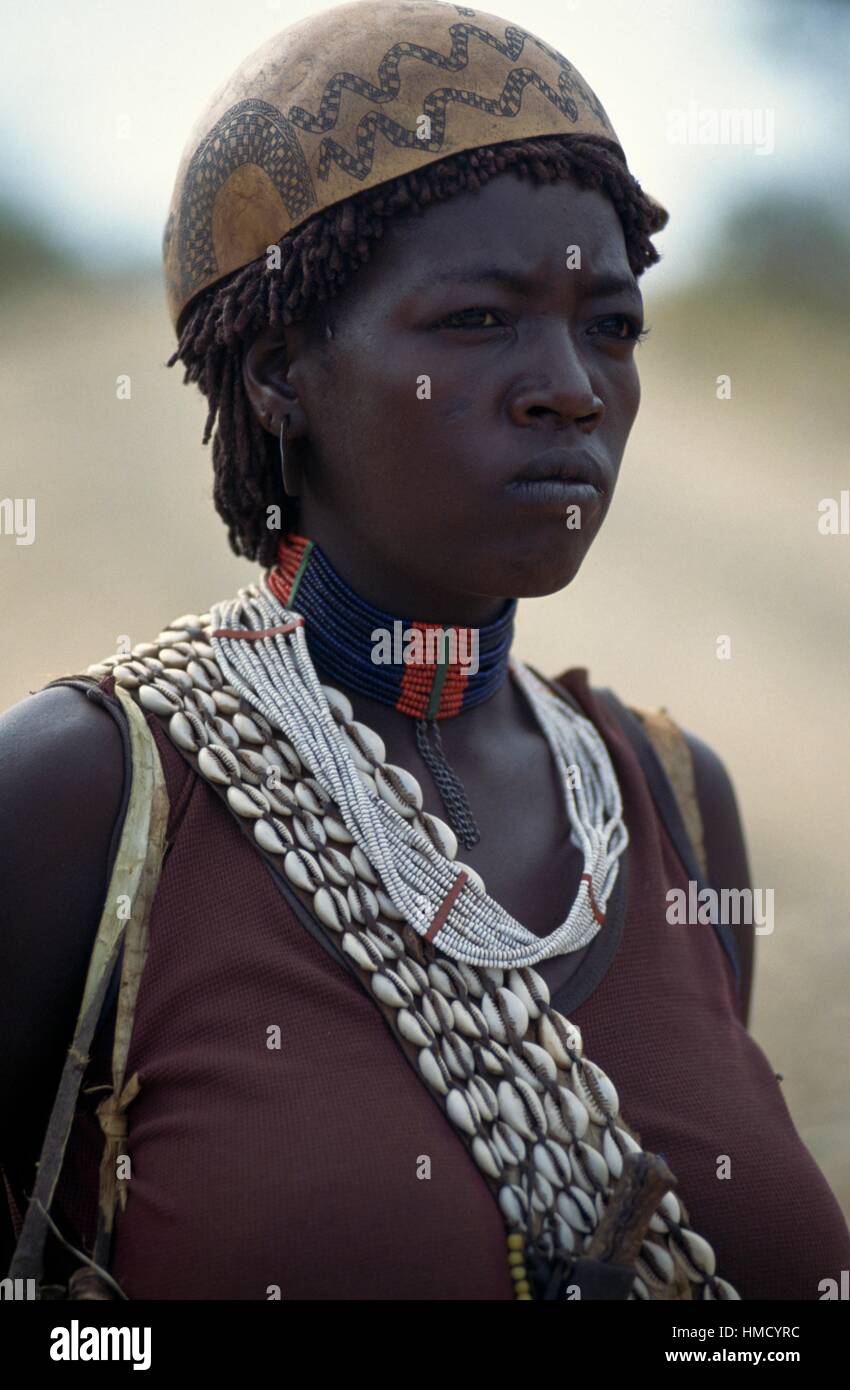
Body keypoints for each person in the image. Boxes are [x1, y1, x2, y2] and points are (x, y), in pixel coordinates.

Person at [3, 0, 848, 1302]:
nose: (568, 383)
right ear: (282, 372)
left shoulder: (674, 807)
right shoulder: (86, 800)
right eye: (476, 320)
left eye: (609, 325)